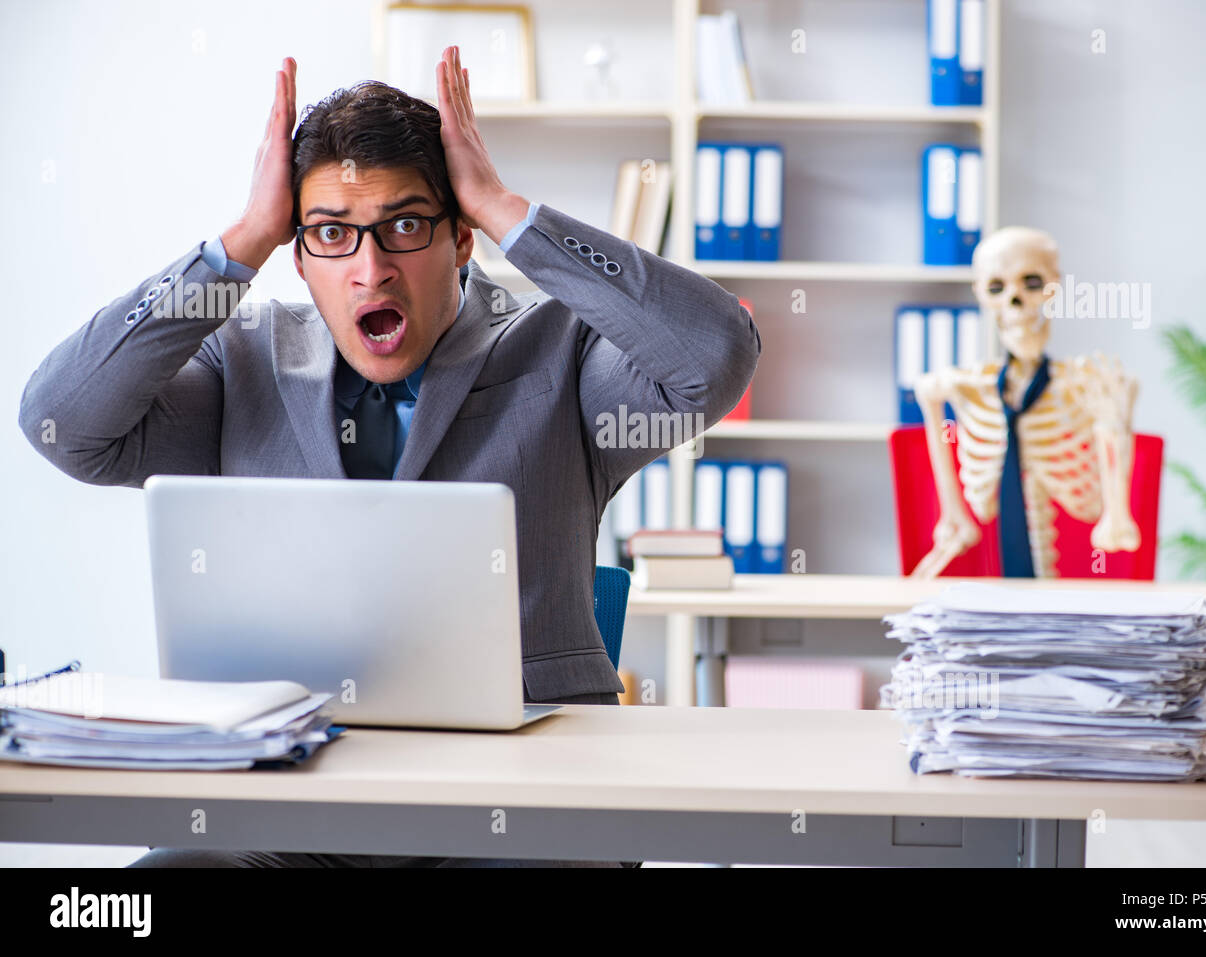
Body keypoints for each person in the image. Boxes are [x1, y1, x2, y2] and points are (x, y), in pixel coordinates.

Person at [17, 48, 760, 867]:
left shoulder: (562, 354)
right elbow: (61, 423)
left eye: (406, 225)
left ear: (460, 237)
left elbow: (715, 354)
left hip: (520, 803)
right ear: (300, 255)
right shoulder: (242, 363)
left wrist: (511, 211)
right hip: (292, 804)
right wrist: (239, 244)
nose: (371, 271)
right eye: (332, 233)